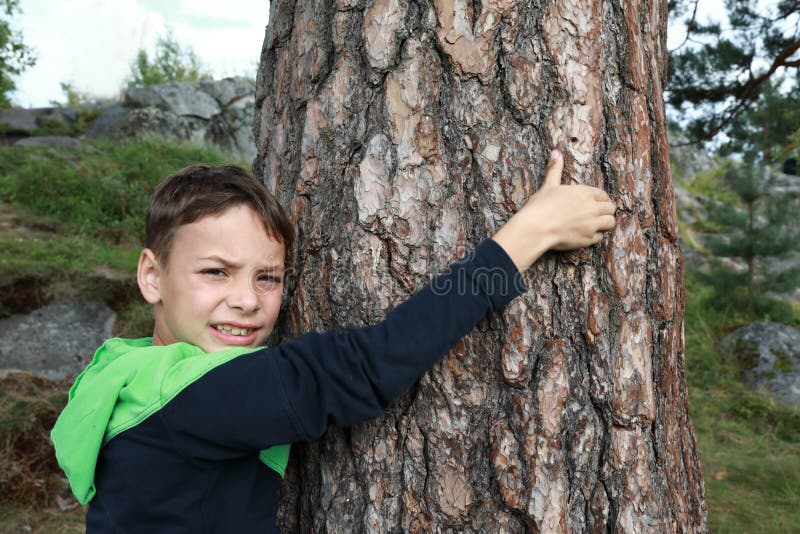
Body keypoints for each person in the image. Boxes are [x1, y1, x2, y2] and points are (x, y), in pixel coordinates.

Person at [51, 149, 616, 532]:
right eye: (215, 272)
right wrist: (529, 234)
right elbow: (372, 364)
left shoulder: (125, 372)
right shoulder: (191, 393)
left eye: (267, 277)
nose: (247, 300)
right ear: (152, 275)